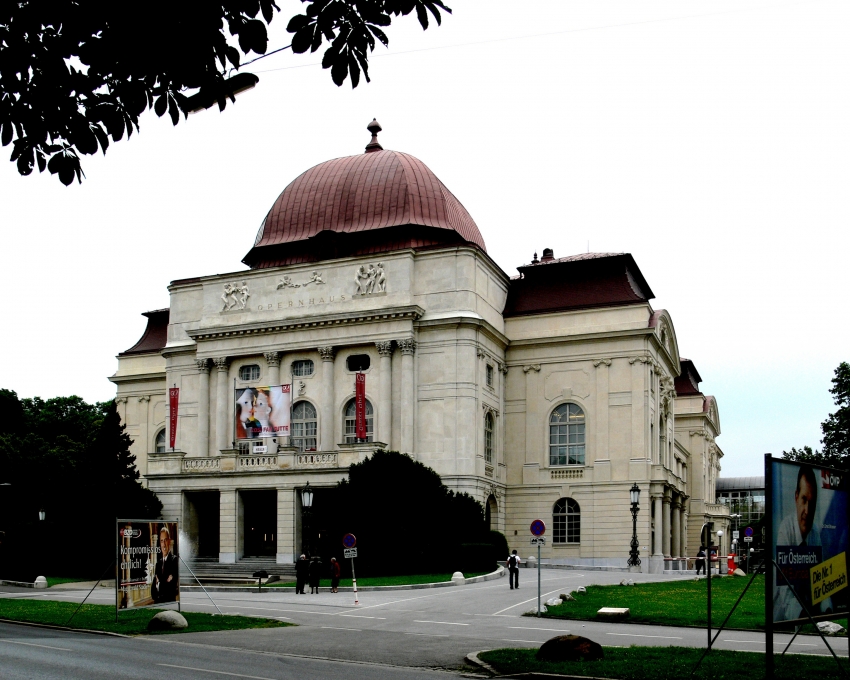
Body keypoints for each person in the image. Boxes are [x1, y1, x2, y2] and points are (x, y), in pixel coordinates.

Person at [775, 465, 830, 621]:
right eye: (804, 500)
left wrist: (827, 609)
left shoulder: (815, 533)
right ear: (796, 497)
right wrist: (806, 615)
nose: (807, 510)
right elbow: (785, 592)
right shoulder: (785, 530)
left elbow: (822, 576)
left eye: (812, 503)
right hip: (784, 618)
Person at [152, 526, 179, 603]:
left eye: (165, 540)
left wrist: (159, 583)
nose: (163, 544)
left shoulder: (174, 560)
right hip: (157, 602)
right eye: (161, 541)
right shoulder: (158, 563)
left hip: (169, 602)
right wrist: (161, 582)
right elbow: (153, 592)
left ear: (169, 541)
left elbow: (172, 588)